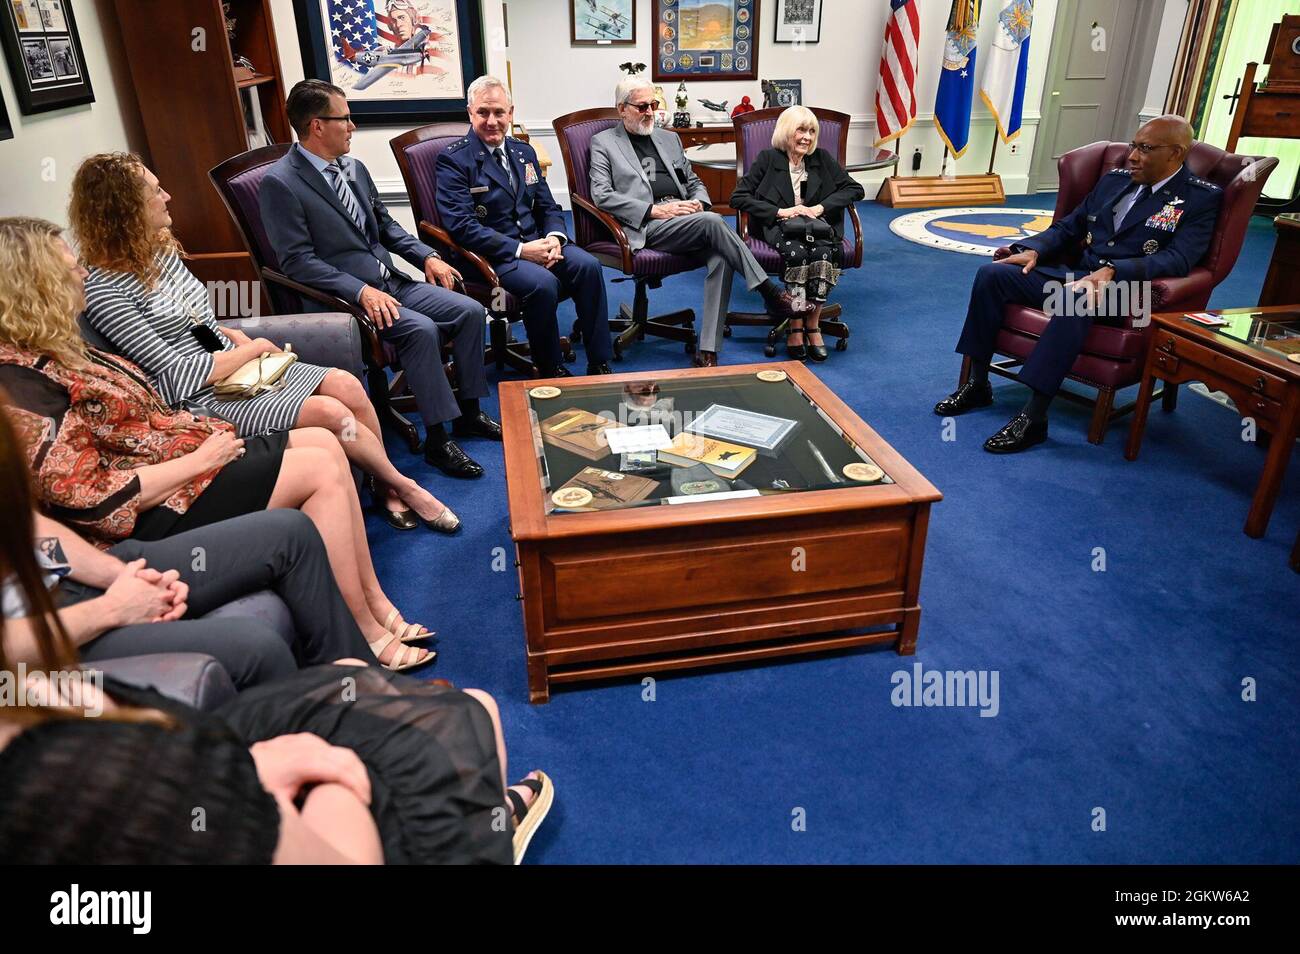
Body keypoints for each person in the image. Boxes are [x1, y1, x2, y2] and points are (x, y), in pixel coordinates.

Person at [0, 452, 555, 864]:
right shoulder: (68, 776)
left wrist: (120, 577)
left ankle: (456, 790)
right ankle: (478, 814)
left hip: (91, 646)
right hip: (81, 663)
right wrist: (323, 775)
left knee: (455, 710)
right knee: (468, 712)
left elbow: (32, 530)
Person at [0, 217, 433, 671]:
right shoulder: (21, 387)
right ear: (37, 285)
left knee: (324, 443)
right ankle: (364, 629)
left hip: (186, 450)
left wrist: (200, 434)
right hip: (153, 509)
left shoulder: (57, 345)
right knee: (319, 469)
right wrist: (200, 459)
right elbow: (95, 498)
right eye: (71, 270)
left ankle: (375, 603)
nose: (83, 273)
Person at [71, 152, 459, 534]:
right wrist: (252, 348)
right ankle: (404, 486)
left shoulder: (159, 253)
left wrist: (230, 335)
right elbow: (171, 376)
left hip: (234, 366)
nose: (168, 197)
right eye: (156, 192)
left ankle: (383, 483)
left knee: (347, 385)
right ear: (124, 208)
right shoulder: (105, 290)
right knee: (328, 412)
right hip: (198, 400)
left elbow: (196, 322)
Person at [934, 115, 1222, 453]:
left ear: (1176, 153)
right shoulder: (1115, 181)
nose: (1132, 156)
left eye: (1145, 149)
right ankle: (978, 383)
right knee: (993, 275)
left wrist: (1115, 270)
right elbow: (1069, 227)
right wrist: (1031, 250)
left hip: (1134, 294)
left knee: (1077, 297)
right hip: (1077, 275)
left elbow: (1179, 259)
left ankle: (1034, 416)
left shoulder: (1199, 198)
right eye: (1133, 145)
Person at [261, 79, 501, 480]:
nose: (353, 127)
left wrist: (427, 257)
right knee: (421, 331)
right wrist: (359, 290)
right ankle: (439, 440)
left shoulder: (354, 168)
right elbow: (297, 262)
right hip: (343, 299)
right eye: (346, 118)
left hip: (390, 282)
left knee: (472, 311)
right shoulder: (280, 183)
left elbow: (387, 228)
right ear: (317, 126)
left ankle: (470, 413)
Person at [589, 76, 810, 368]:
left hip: (687, 217)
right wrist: (653, 211)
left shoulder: (668, 139)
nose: (650, 112)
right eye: (642, 106)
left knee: (721, 255)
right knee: (714, 222)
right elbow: (601, 195)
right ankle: (769, 291)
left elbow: (693, 181)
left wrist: (699, 202)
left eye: (653, 105)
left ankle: (708, 348)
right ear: (622, 109)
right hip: (647, 223)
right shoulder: (604, 143)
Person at [436, 75, 612, 377]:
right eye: (483, 112)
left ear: (511, 113)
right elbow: (462, 227)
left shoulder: (524, 152)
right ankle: (550, 368)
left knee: (589, 266)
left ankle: (599, 362)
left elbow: (548, 207)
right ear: (470, 112)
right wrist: (521, 250)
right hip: (491, 256)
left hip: (537, 244)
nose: (492, 121)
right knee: (542, 285)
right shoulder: (454, 160)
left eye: (499, 113)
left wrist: (555, 237)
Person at [730, 105, 864, 361]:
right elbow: (738, 197)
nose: (807, 137)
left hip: (818, 225)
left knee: (824, 253)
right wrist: (781, 212)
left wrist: (819, 207)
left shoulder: (821, 159)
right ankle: (795, 325)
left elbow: (854, 189)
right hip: (780, 226)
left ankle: (812, 326)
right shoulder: (768, 159)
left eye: (812, 131)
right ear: (786, 132)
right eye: (801, 130)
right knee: (797, 253)